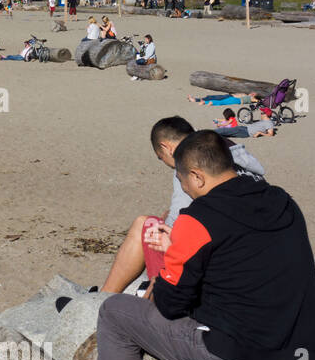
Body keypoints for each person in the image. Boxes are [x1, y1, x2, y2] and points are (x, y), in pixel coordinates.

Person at [88, 130, 315, 360]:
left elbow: (170, 305)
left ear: (197, 176)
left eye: (181, 180)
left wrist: (174, 254)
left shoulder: (199, 218)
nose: (184, 188)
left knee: (115, 312)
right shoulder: (282, 201)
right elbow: (247, 261)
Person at [98, 116, 266, 295]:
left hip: (218, 261)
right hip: (254, 250)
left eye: (160, 158)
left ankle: (105, 296)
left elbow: (180, 222)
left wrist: (165, 225)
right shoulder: (225, 151)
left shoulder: (188, 165)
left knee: (146, 225)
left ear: (166, 147)